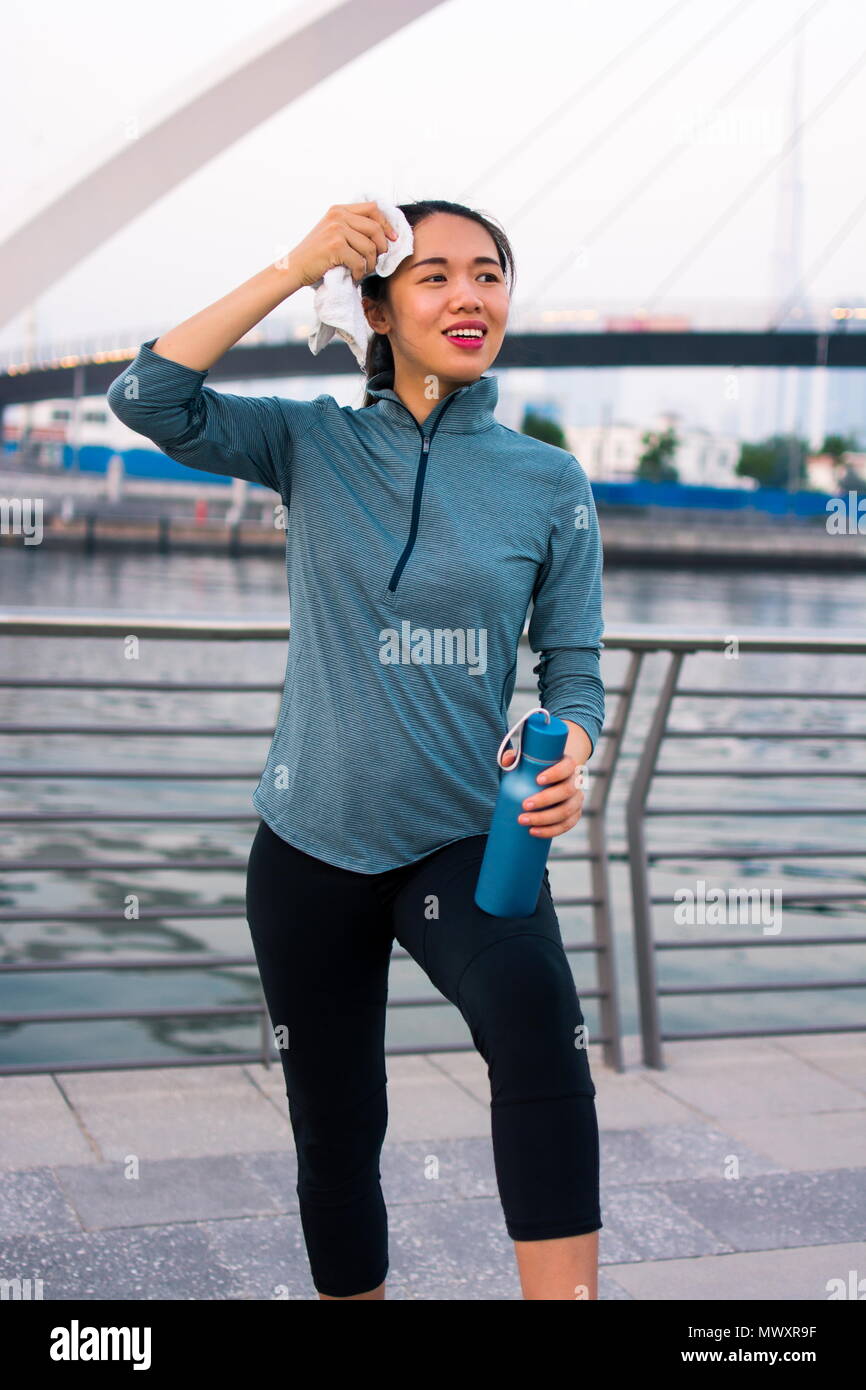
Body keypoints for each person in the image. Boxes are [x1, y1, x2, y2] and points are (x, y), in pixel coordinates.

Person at [106, 199, 605, 1300]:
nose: (468, 295)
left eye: (488, 274)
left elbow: (572, 666)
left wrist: (568, 741)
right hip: (310, 849)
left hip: (466, 846)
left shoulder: (547, 481)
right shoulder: (310, 444)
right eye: (432, 276)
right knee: (337, 1130)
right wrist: (292, 268)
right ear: (376, 308)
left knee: (537, 1037)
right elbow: (145, 395)